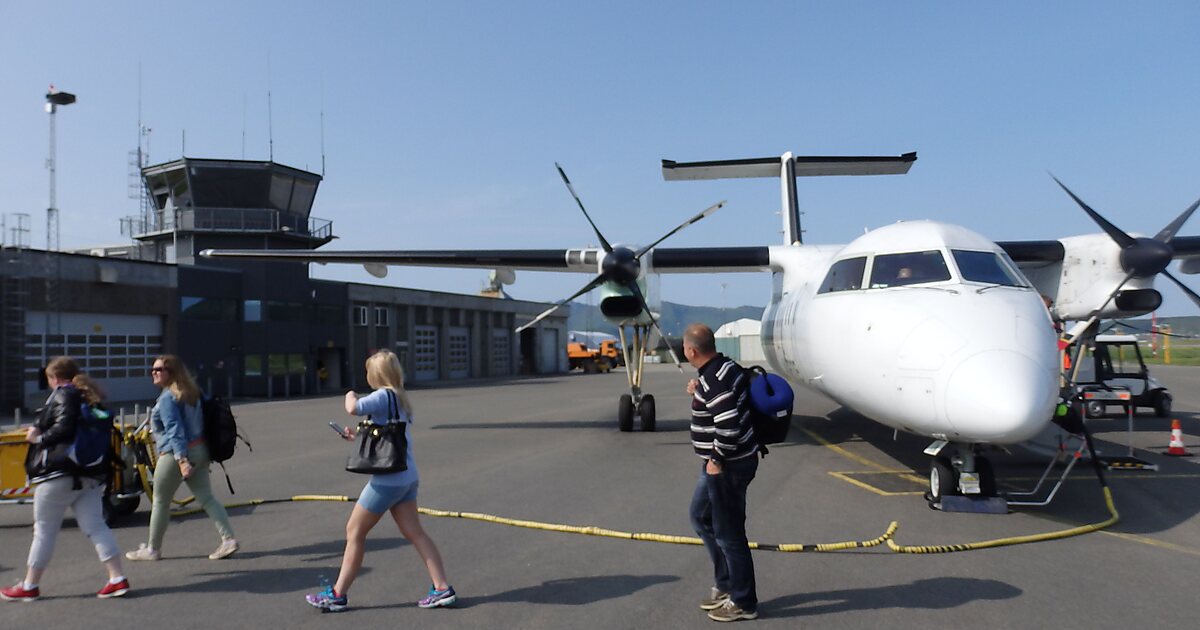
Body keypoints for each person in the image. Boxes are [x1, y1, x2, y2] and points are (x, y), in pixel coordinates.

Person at [305, 349, 456, 612]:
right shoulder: (401, 398)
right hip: (407, 477)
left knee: (354, 532)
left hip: (387, 482)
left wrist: (349, 393)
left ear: (376, 374)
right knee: (416, 533)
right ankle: (442, 587)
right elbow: (387, 437)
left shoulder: (382, 395)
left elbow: (353, 408)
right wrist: (356, 438)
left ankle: (338, 594)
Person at [2, 358, 130, 601]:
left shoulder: (63, 394)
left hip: (59, 473)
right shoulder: (88, 395)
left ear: (54, 378)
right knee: (96, 526)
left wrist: (38, 437)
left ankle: (30, 585)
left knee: (44, 531)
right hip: (90, 474)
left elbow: (64, 428)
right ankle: (117, 578)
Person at [125, 355, 239, 561]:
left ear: (172, 372)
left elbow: (175, 430)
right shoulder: (193, 393)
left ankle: (152, 549)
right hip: (201, 450)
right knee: (207, 498)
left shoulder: (168, 398)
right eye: (153, 369)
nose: (153, 372)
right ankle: (228, 539)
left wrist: (182, 460)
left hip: (175, 455)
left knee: (160, 501)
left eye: (159, 369)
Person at [683, 323, 759, 622]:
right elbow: (725, 398)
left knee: (729, 534)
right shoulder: (725, 367)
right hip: (723, 464)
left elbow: (728, 426)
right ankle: (727, 583)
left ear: (691, 351)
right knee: (700, 517)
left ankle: (743, 602)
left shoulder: (714, 379)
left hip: (727, 466)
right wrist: (698, 389)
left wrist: (715, 459)